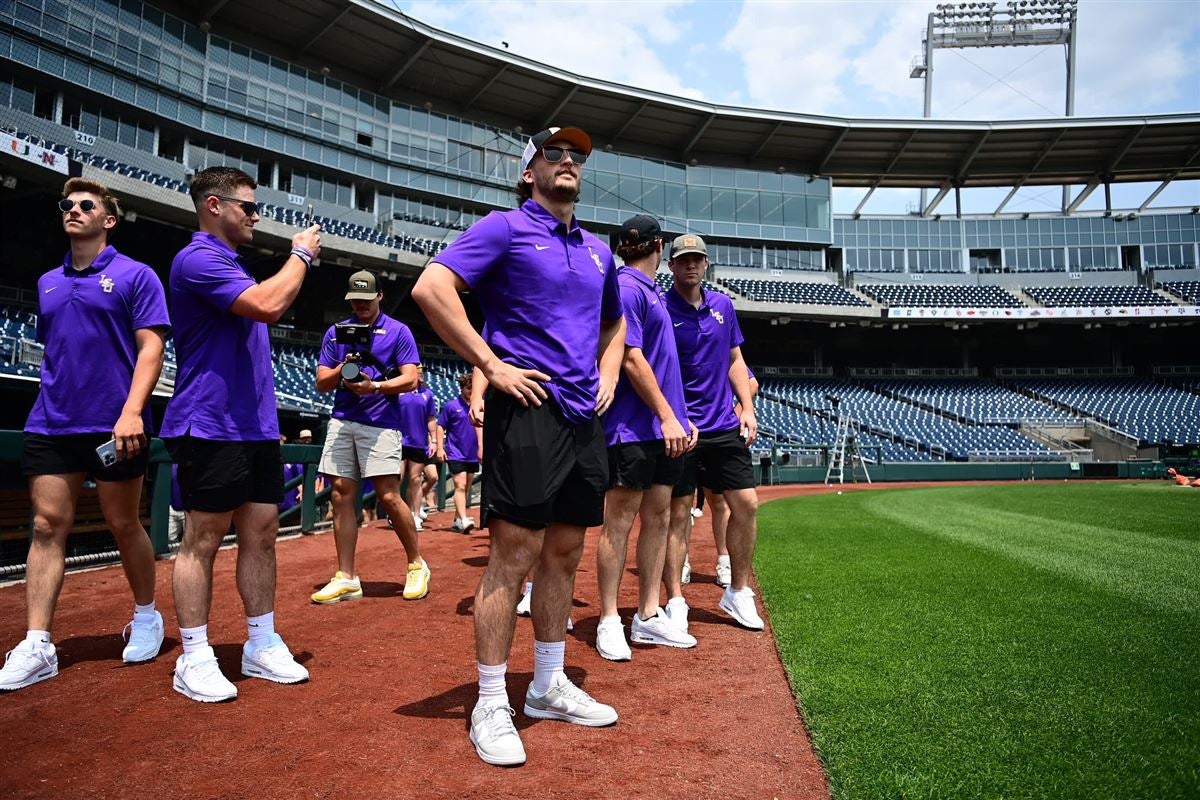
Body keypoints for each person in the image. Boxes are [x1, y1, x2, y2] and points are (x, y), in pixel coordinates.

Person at [413, 125, 625, 767]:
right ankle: (488, 700)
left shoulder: (597, 250)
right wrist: (491, 364)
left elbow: (615, 321)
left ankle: (547, 685)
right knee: (513, 553)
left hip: (580, 415)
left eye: (577, 157)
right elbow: (431, 288)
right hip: (526, 406)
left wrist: (608, 375)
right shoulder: (504, 228)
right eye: (554, 154)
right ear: (529, 171)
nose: (568, 162)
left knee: (564, 551)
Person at [0, 178, 169, 692]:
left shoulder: (136, 276)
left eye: (85, 205)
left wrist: (133, 411)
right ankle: (37, 643)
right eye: (67, 205)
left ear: (108, 220)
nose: (73, 210)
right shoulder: (48, 281)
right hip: (52, 421)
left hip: (114, 423)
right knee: (48, 526)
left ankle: (146, 618)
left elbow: (150, 349)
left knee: (122, 523)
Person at [162, 166, 320, 703]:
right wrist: (300, 254)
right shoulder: (198, 257)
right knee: (202, 539)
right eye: (248, 207)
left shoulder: (230, 263)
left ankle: (259, 640)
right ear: (213, 206)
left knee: (262, 533)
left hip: (252, 425)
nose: (256, 215)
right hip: (208, 420)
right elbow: (270, 306)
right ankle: (195, 654)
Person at [594, 215, 698, 661]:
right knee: (619, 522)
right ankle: (608, 618)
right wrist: (667, 416)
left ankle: (648, 614)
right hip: (631, 428)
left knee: (658, 518)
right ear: (660, 245)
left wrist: (679, 417)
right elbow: (632, 359)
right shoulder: (629, 288)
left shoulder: (648, 290)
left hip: (661, 428)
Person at [662, 234, 764, 633]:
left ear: (706, 265)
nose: (691, 265)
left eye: (697, 259)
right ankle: (674, 599)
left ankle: (738, 591)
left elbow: (735, 360)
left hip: (723, 426)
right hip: (681, 428)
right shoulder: (660, 307)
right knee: (677, 515)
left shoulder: (723, 305)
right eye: (683, 259)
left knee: (747, 505)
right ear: (671, 266)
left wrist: (748, 408)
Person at [309, 270, 428, 604]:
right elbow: (322, 381)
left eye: (366, 298)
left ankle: (416, 563)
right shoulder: (336, 332)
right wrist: (343, 367)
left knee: (388, 496)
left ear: (380, 297)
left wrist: (374, 386)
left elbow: (411, 380)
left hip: (381, 422)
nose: (360, 305)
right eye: (355, 300)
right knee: (340, 494)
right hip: (343, 419)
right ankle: (346, 576)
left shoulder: (398, 331)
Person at [436, 372, 482, 533]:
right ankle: (463, 519)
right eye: (468, 388)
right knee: (460, 485)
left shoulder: (480, 406)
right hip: (456, 452)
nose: (471, 391)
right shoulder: (451, 406)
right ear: (462, 387)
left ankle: (457, 519)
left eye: (473, 388)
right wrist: (440, 448)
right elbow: (440, 426)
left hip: (472, 454)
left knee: (466, 486)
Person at [398, 367, 438, 531]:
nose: (420, 373)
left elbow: (430, 418)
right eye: (417, 370)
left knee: (415, 479)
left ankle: (415, 516)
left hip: (418, 442)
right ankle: (395, 514)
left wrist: (434, 440)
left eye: (422, 371)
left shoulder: (427, 394)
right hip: (398, 441)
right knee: (397, 478)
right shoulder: (398, 391)